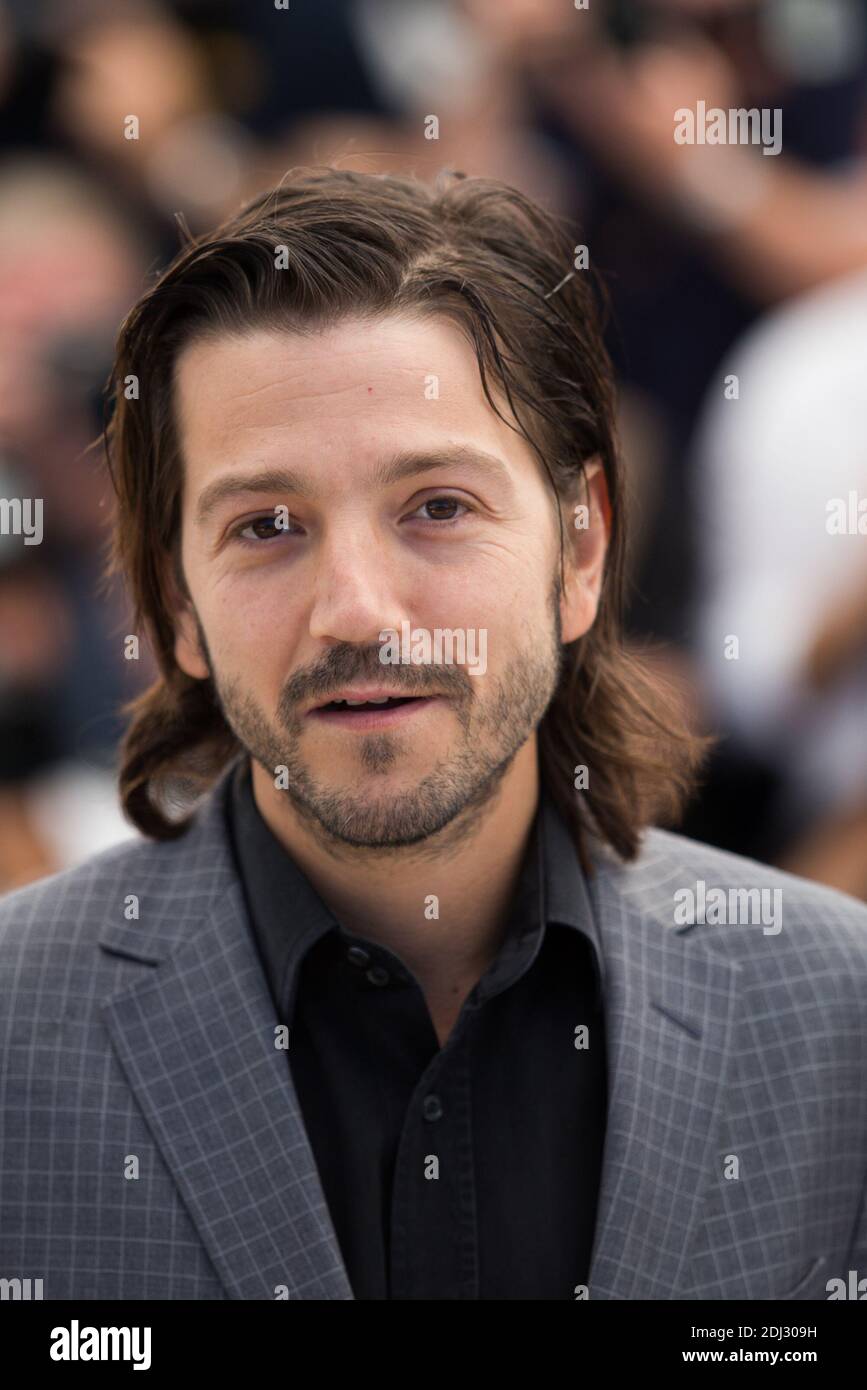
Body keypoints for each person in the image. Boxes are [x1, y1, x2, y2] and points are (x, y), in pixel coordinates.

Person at [0, 167, 865, 1301]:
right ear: (175, 607)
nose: (356, 607)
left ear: (583, 546)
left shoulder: (836, 1018)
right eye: (267, 526)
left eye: (437, 507)